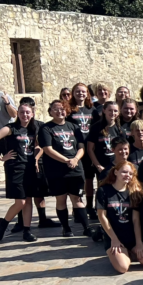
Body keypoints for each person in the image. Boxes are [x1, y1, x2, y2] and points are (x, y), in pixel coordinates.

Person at [0, 102, 39, 242]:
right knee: (20, 202)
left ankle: (27, 230)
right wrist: (1, 157)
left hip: (30, 168)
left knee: (28, 200)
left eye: (28, 112)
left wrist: (37, 158)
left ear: (32, 114)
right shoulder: (10, 128)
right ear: (18, 114)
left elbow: (39, 147)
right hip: (15, 168)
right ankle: (4, 223)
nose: (25, 115)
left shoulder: (34, 129)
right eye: (22, 112)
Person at [39, 99, 90, 237]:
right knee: (61, 199)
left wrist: (75, 159)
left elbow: (81, 147)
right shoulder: (46, 128)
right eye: (55, 109)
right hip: (57, 171)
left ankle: (86, 228)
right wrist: (67, 160)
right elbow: (48, 149)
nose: (59, 111)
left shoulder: (73, 127)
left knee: (77, 199)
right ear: (50, 112)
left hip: (75, 169)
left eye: (62, 108)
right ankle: (66, 228)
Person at [95, 162, 143, 273]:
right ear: (116, 171)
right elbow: (102, 216)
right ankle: (121, 254)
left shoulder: (134, 192)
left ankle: (128, 251)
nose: (127, 175)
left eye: (130, 173)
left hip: (131, 236)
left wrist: (138, 243)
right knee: (123, 268)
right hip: (114, 235)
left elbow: (136, 220)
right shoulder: (103, 191)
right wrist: (114, 239)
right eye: (124, 172)